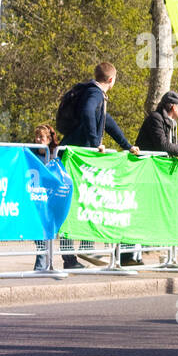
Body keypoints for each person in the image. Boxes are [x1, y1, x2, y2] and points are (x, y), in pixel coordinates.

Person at [56, 61, 135, 268]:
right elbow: (88, 112)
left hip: (75, 155)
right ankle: (70, 258)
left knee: (82, 203)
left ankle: (81, 251)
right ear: (111, 80)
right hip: (76, 157)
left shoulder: (91, 93)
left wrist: (126, 146)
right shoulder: (95, 94)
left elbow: (106, 121)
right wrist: (94, 143)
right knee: (72, 206)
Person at [136, 91, 178, 160]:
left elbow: (174, 145)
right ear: (174, 107)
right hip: (146, 166)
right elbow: (163, 145)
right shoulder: (155, 118)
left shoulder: (171, 122)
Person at [30, 124, 59, 271]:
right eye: (37, 137)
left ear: (48, 139)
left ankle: (45, 266)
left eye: (42, 137)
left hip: (49, 202)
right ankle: (41, 267)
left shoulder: (54, 156)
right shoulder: (30, 154)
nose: (39, 140)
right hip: (35, 201)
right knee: (40, 237)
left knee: (48, 237)